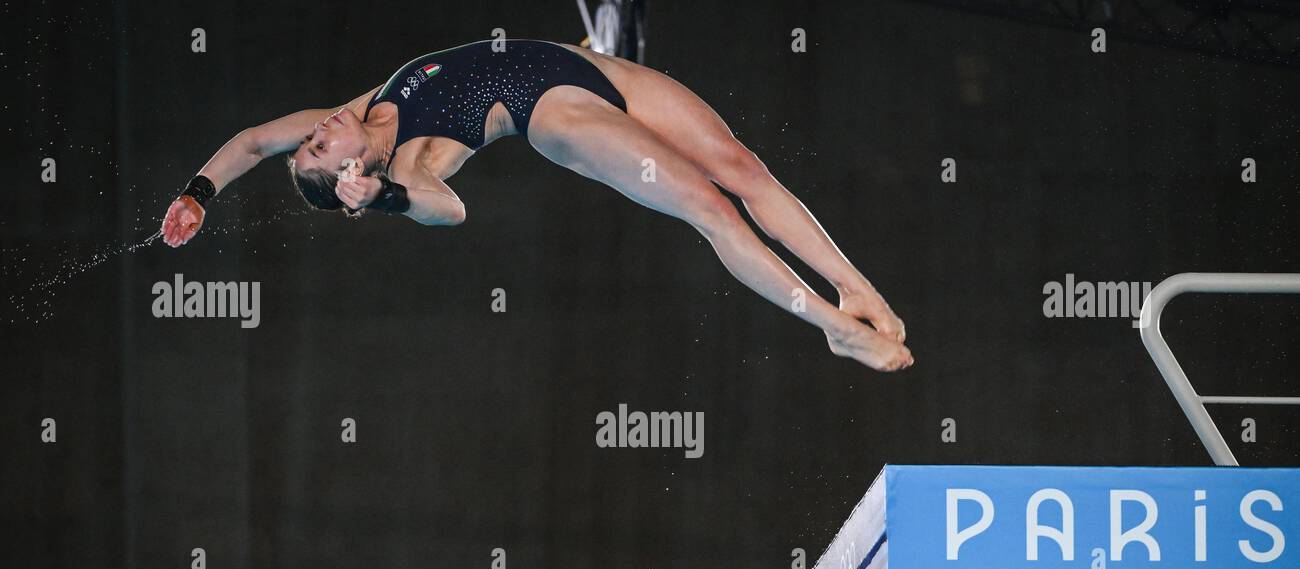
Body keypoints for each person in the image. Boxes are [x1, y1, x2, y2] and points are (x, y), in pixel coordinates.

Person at [161, 38, 912, 371]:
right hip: (550, 109)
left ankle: (856, 286)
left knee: (742, 166)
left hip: (577, 62)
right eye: (321, 151)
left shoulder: (360, 109)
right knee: (708, 205)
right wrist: (385, 198)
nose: (320, 132)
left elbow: (255, 140)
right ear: (352, 172)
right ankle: (830, 325)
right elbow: (446, 210)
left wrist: (197, 194)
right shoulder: (412, 163)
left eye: (315, 139)